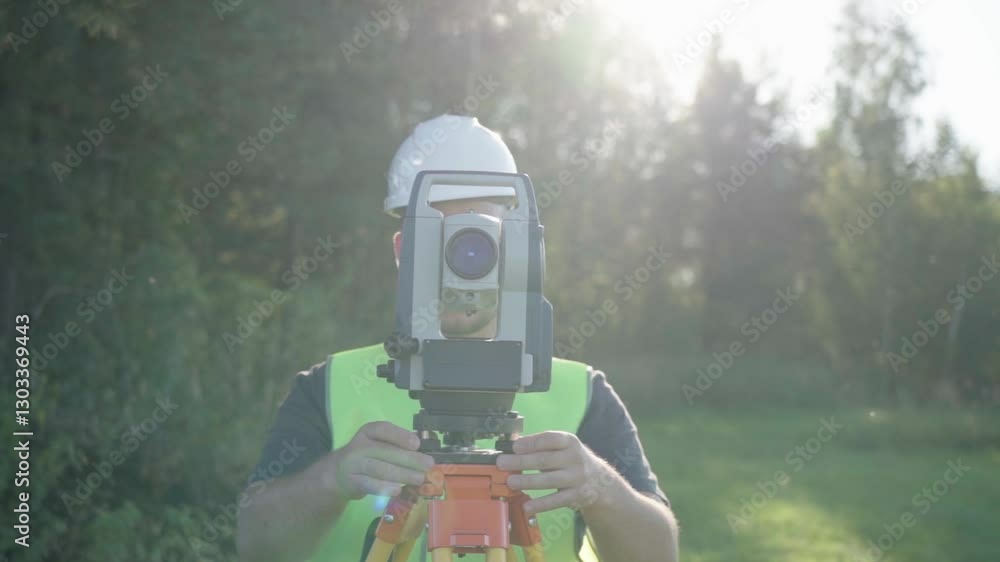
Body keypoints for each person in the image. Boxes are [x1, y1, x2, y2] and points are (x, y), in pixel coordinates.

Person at [235, 115, 679, 562]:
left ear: (516, 252)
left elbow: (660, 555)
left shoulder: (583, 396)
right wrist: (331, 479)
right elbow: (256, 546)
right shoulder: (328, 388)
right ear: (400, 251)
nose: (462, 259)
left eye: (478, 239)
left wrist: (600, 489)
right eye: (439, 238)